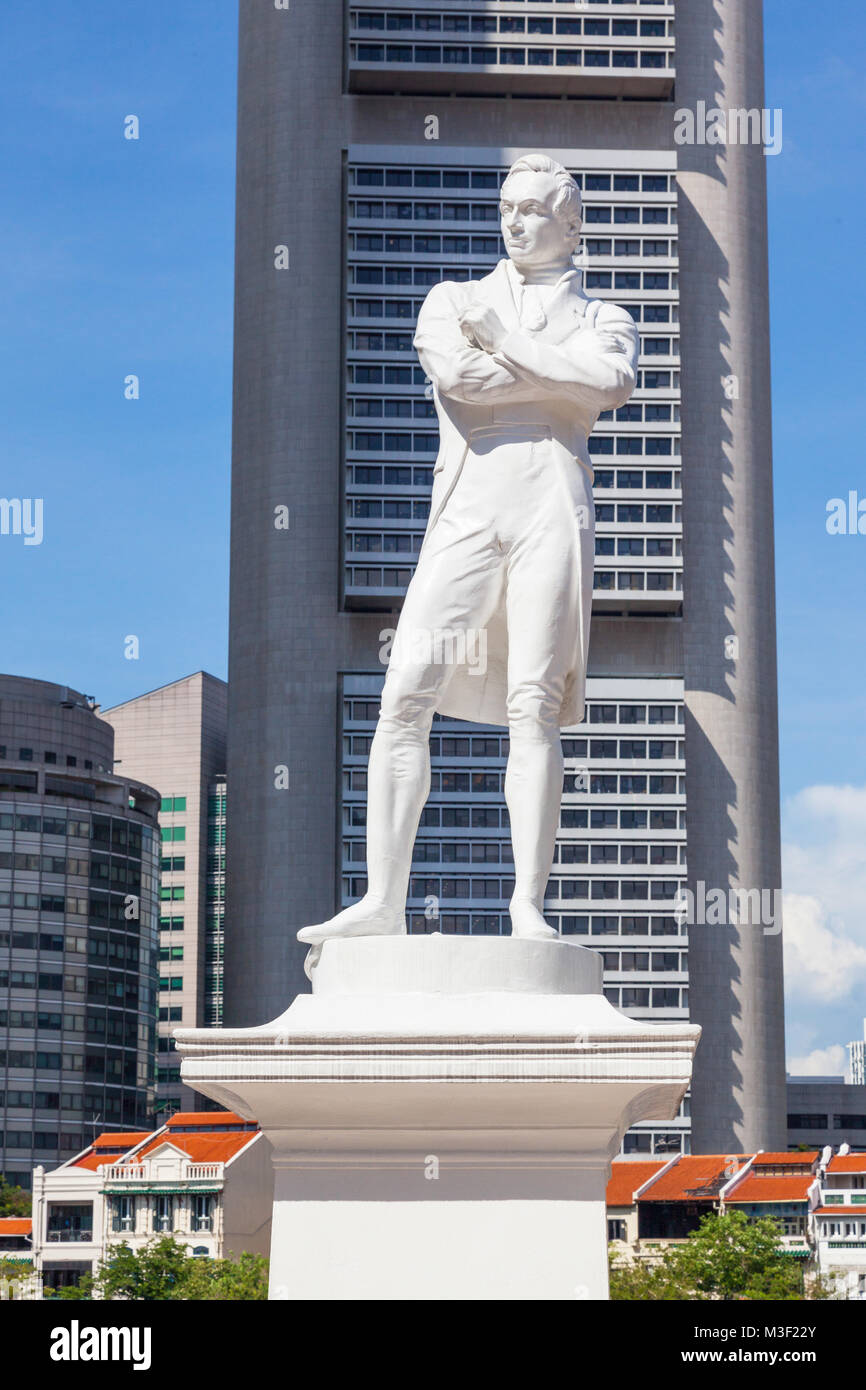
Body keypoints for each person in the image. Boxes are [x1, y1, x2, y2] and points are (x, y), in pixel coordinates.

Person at [299, 153, 639, 959]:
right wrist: (551, 379)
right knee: (405, 689)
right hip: (471, 500)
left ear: (572, 222)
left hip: (552, 498)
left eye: (532, 209)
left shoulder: (606, 314)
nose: (514, 221)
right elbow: (463, 382)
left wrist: (513, 349)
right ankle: (383, 899)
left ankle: (527, 903)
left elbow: (608, 385)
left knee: (534, 704)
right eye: (506, 207)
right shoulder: (453, 299)